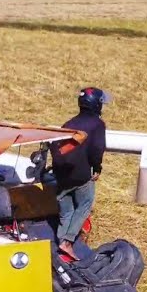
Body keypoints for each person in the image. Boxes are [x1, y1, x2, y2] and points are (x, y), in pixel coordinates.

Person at [51, 87, 109, 259]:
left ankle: (60, 241)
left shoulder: (69, 123)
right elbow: (97, 149)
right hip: (79, 174)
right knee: (85, 203)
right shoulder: (97, 124)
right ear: (97, 105)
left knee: (67, 210)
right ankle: (67, 242)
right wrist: (97, 167)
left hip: (61, 175)